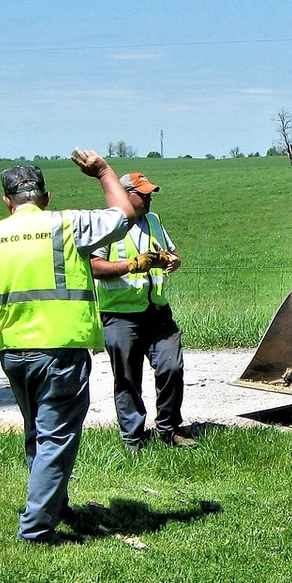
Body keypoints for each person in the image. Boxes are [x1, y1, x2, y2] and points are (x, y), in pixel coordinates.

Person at [0, 150, 138, 545]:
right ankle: (37, 529)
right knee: (56, 438)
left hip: (12, 352)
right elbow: (125, 214)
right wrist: (104, 171)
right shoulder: (67, 224)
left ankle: (53, 506)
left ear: (7, 202)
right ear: (45, 195)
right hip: (60, 347)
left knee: (38, 435)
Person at [90, 172, 194, 452]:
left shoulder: (154, 220)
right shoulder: (107, 225)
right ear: (125, 194)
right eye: (143, 194)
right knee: (127, 378)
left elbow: (173, 253)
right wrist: (133, 265)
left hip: (157, 310)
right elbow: (94, 267)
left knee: (171, 367)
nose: (148, 199)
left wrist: (173, 261)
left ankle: (169, 430)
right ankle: (132, 439)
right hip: (120, 314)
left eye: (150, 194)